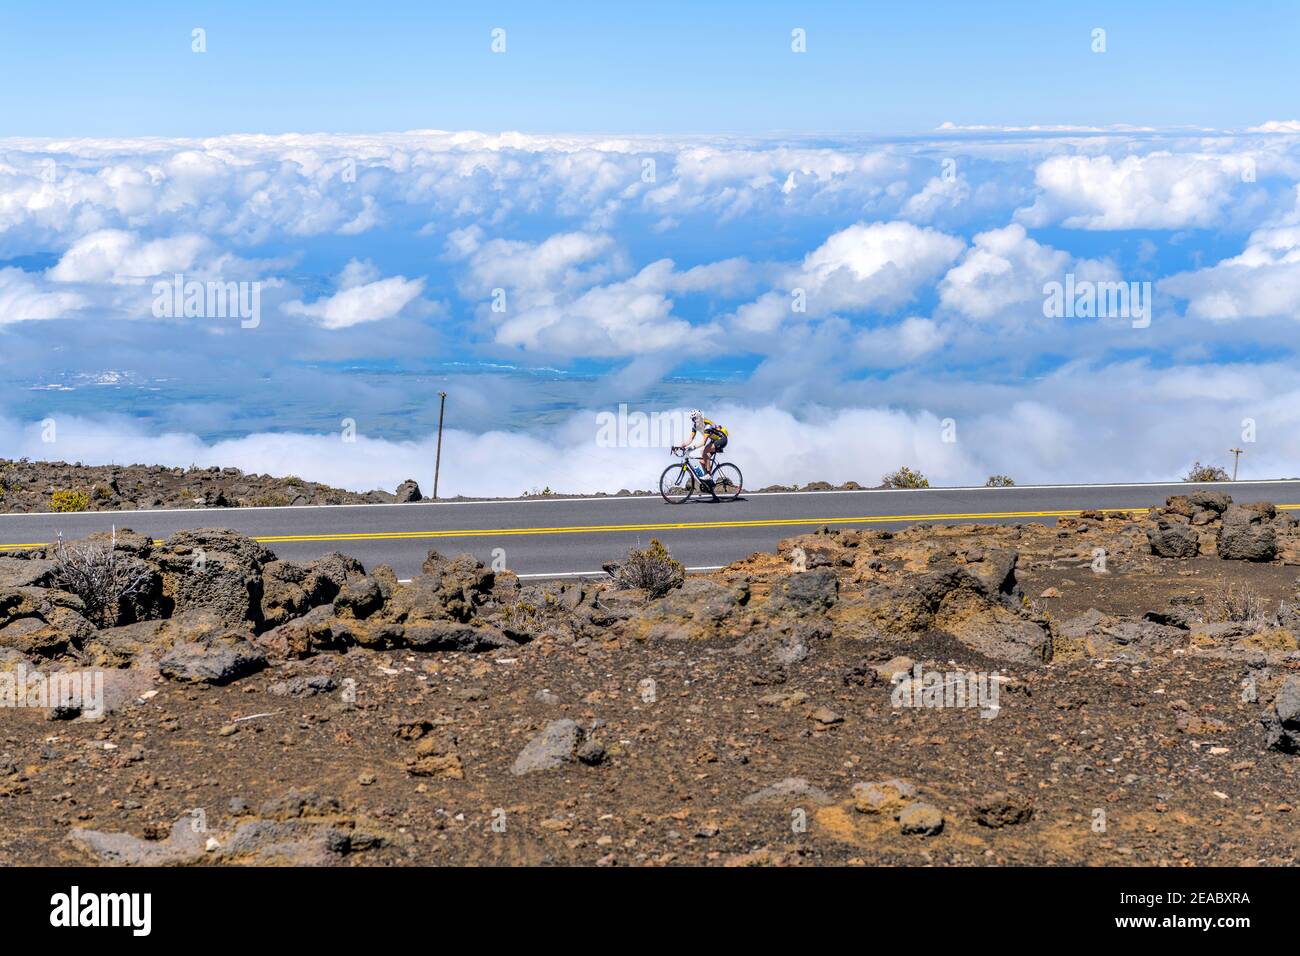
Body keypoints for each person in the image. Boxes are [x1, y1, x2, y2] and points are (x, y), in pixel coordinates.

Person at [673, 409, 728, 481]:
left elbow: (703, 442)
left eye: (695, 418)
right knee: (702, 461)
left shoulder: (707, 426)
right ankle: (708, 481)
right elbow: (690, 440)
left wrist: (692, 447)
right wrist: (678, 446)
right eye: (693, 419)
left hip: (722, 440)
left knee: (705, 451)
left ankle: (708, 475)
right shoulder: (695, 426)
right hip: (715, 440)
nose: (694, 420)